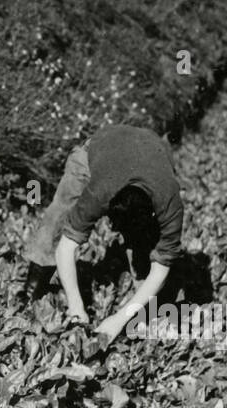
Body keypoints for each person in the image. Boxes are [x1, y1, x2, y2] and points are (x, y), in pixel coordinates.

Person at [26, 124, 186, 343]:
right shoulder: (99, 192)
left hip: (150, 152)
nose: (115, 231)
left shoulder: (170, 204)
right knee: (59, 214)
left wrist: (118, 320)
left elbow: (161, 269)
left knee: (147, 249)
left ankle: (146, 305)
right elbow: (66, 246)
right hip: (100, 150)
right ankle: (36, 278)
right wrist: (76, 307)